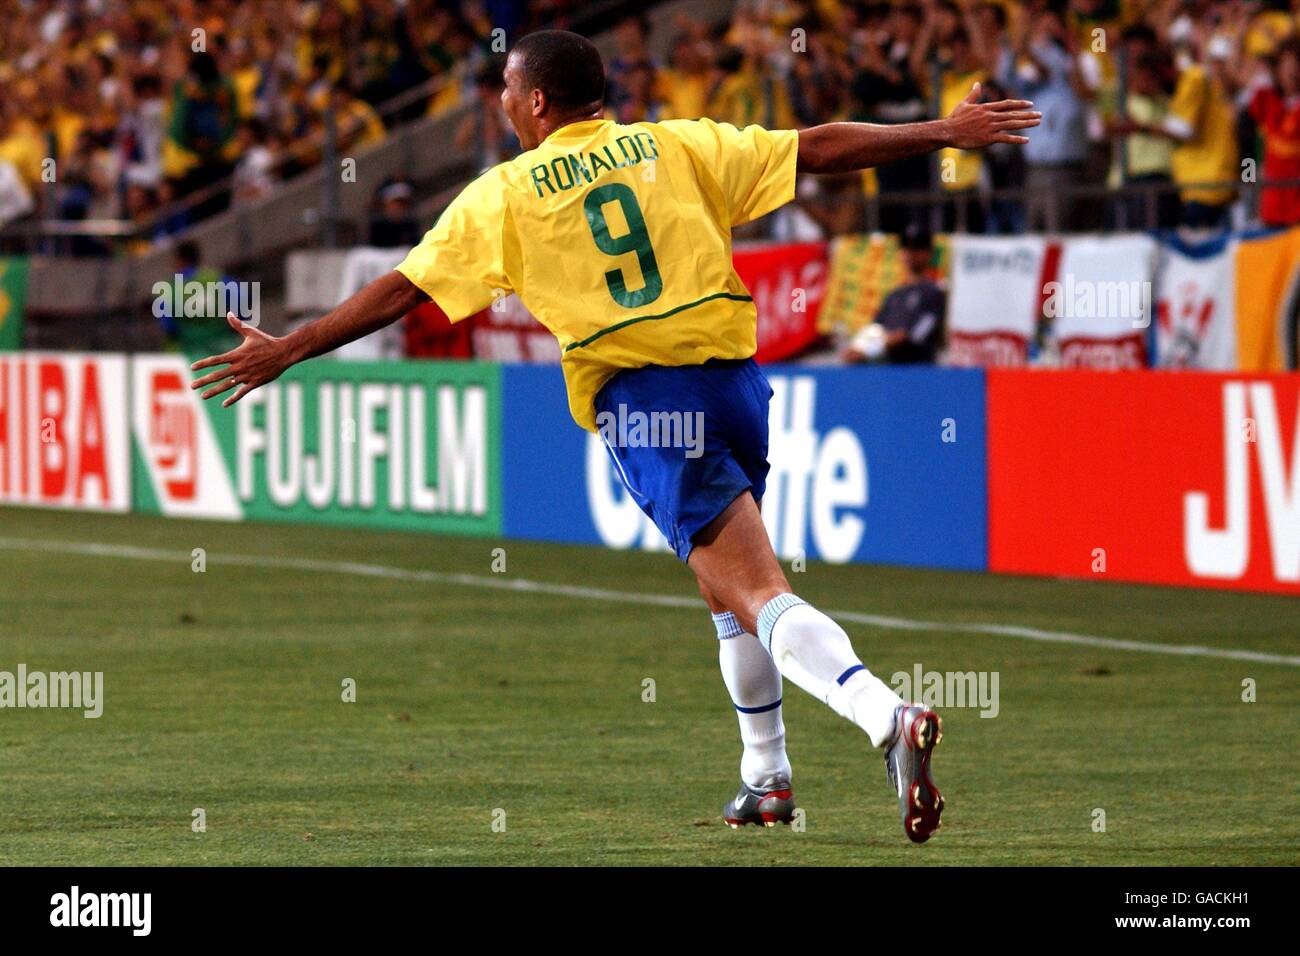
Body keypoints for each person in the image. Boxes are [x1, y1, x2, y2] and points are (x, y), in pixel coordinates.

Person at [190, 30, 1038, 844]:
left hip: (646, 399)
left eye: (507, 92)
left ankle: (885, 716)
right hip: (737, 385)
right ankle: (766, 774)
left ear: (539, 101)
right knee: (727, 598)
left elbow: (405, 289)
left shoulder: (507, 193)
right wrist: (945, 131)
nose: (500, 105)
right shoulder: (680, 144)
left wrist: (292, 347)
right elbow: (813, 147)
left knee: (753, 588)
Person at [844, 222, 946, 364]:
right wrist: (857, 347)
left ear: (928, 252)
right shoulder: (895, 295)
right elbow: (876, 328)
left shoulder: (932, 292)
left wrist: (868, 350)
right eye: (906, 247)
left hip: (919, 370)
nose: (910, 253)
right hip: (890, 371)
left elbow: (914, 335)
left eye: (917, 248)